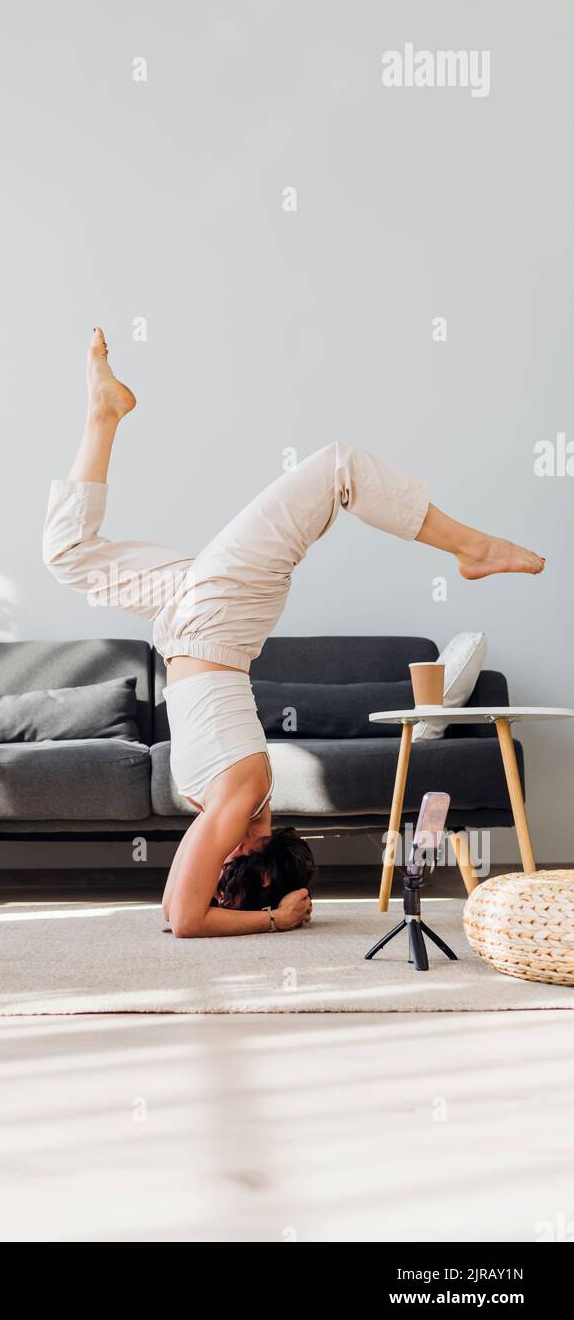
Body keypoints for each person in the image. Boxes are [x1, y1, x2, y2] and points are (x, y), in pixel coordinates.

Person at [43, 329, 545, 939]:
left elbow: (175, 911)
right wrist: (275, 920)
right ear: (256, 873)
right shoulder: (241, 798)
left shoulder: (226, 803)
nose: (216, 867)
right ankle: (474, 548)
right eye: (232, 874)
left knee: (68, 555)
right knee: (340, 467)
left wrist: (263, 911)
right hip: (217, 620)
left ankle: (105, 414)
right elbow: (186, 920)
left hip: (188, 621)